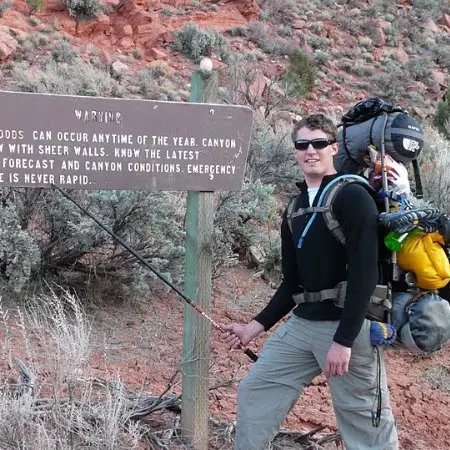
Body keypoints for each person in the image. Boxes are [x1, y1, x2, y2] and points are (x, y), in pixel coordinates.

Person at [222, 114, 398, 450]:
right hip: (302, 326)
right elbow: (293, 283)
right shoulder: (295, 207)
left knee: (363, 418)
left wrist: (343, 340)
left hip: (351, 326)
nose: (310, 151)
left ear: (333, 147)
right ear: (295, 151)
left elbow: (364, 272)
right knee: (257, 389)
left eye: (318, 143)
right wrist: (254, 327)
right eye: (302, 144)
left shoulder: (353, 197)